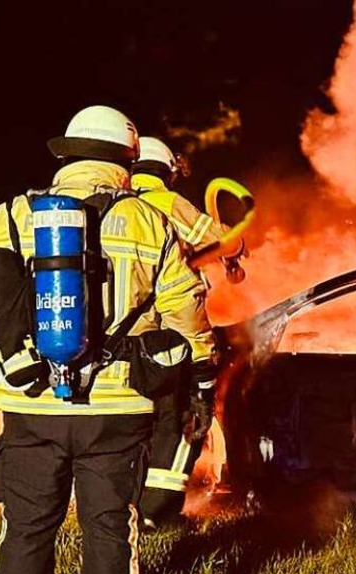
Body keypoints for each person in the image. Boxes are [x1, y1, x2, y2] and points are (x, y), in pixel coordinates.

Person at [0, 106, 216, 574]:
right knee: (110, 527)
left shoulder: (18, 215)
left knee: (26, 524)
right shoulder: (147, 221)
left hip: (31, 403)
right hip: (116, 414)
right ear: (127, 162)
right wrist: (203, 379)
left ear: (66, 155)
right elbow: (186, 311)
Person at [129, 136, 228, 529]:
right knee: (181, 416)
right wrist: (236, 249)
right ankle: (158, 509)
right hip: (166, 334)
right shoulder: (168, 202)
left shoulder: (118, 203)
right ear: (167, 171)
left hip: (117, 338)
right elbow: (218, 238)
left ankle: (128, 498)